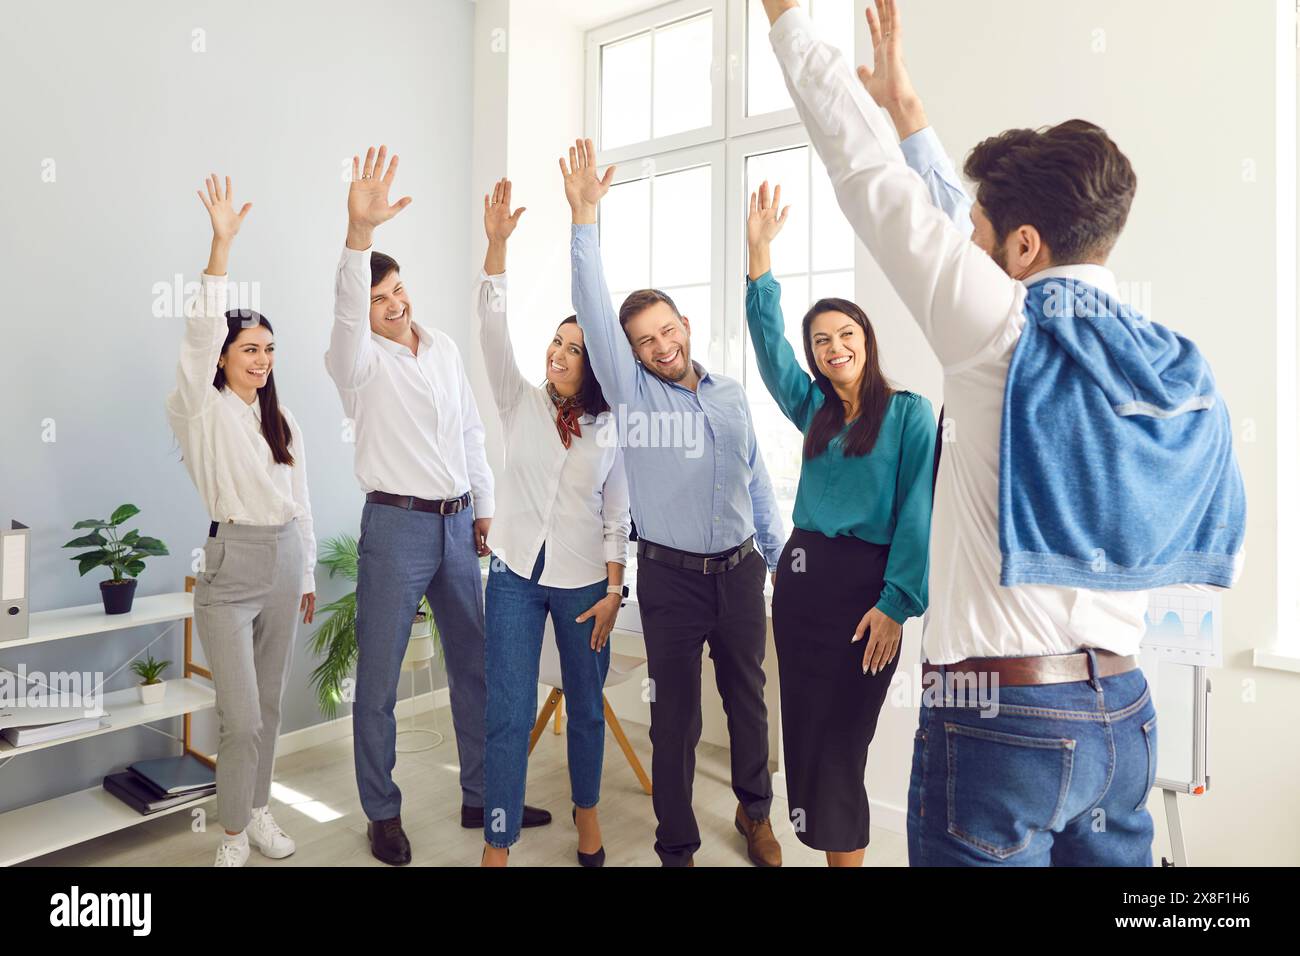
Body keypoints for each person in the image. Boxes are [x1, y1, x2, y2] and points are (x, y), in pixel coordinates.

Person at [761, 0, 1245, 866]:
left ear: (1022, 247)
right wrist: (910, 113)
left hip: (1001, 723)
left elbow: (864, 175)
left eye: (982, 236)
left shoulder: (1001, 334)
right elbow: (954, 223)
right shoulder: (1165, 355)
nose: (966, 245)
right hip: (1125, 715)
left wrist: (790, 18)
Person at [563, 138, 787, 868]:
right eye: (643, 341)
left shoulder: (727, 393)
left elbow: (754, 480)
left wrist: (782, 559)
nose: (660, 346)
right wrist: (585, 218)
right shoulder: (632, 393)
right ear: (629, 352)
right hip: (670, 580)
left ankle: (757, 816)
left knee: (749, 705)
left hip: (740, 571)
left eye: (667, 331)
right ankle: (676, 846)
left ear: (685, 326)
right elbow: (594, 310)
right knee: (676, 720)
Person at [325, 146, 550, 866]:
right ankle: (382, 812)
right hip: (395, 526)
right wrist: (358, 234)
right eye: (379, 298)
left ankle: (483, 796)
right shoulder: (355, 362)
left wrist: (483, 506)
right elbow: (345, 311)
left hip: (459, 526)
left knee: (477, 665)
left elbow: (472, 429)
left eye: (397, 291)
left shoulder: (444, 347)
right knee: (381, 679)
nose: (395, 304)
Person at [744, 180, 935, 866]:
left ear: (866, 341)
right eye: (820, 340)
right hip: (802, 585)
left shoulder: (911, 413)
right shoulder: (814, 412)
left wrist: (896, 604)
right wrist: (759, 256)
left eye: (844, 334)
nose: (832, 347)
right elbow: (770, 351)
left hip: (868, 592)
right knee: (805, 730)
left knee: (844, 744)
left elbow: (919, 511)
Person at [475, 178, 631, 868]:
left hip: (581, 587)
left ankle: (588, 819)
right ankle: (498, 842)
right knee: (508, 712)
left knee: (587, 710)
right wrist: (497, 249)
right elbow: (489, 331)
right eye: (555, 343)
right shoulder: (520, 403)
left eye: (574, 347)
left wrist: (613, 589)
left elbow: (617, 515)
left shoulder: (611, 428)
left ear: (593, 361)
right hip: (511, 573)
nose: (557, 354)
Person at [166, 174, 317, 867]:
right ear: (224, 357)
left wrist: (308, 569)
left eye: (268, 351)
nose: (261, 360)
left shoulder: (281, 419)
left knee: (271, 706)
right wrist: (221, 247)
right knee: (240, 716)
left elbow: (303, 503)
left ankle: (258, 813)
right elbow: (198, 331)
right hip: (230, 568)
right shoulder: (200, 410)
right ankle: (230, 836)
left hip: (284, 560)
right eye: (249, 349)